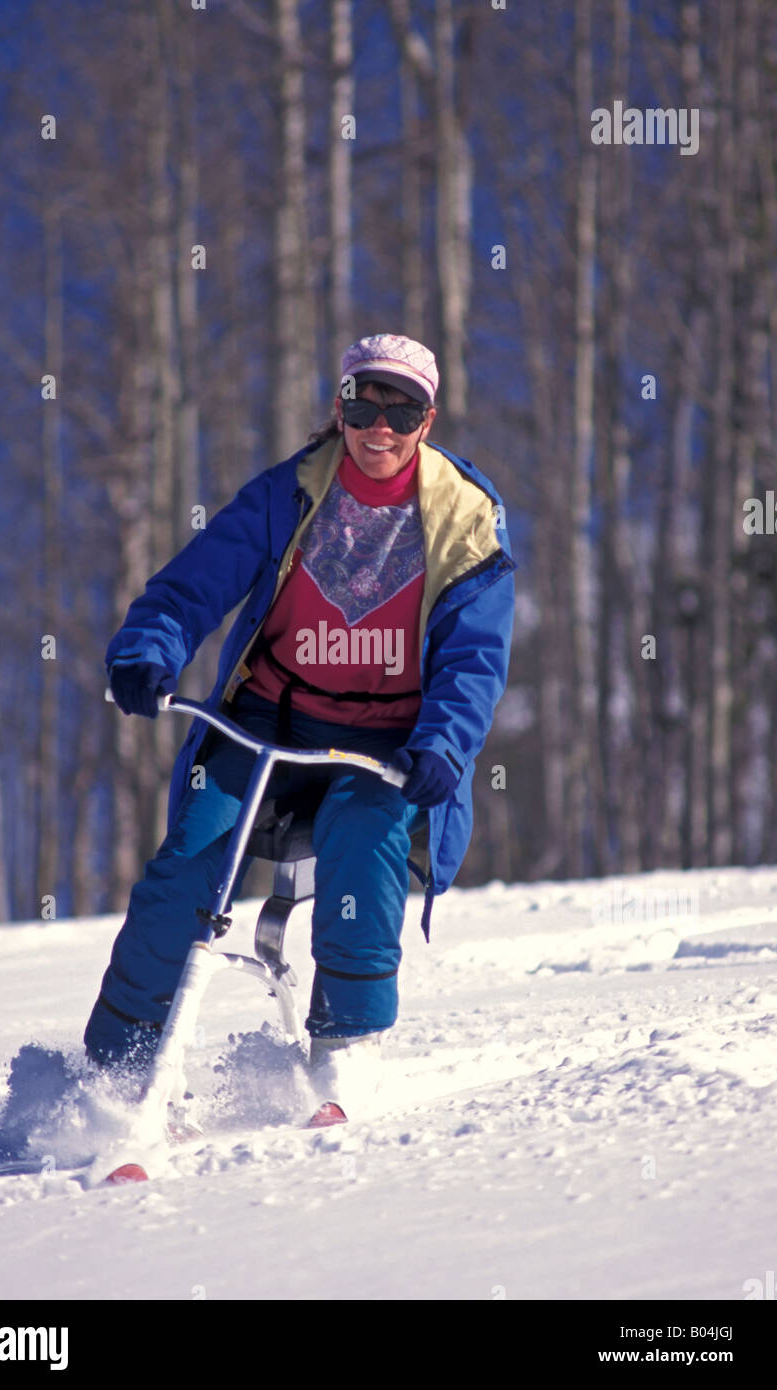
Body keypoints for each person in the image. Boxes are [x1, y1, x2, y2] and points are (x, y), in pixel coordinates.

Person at [84, 333, 516, 1122]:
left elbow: (474, 658)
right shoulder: (288, 495)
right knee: (188, 865)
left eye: (402, 408)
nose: (378, 426)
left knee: (366, 837)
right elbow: (190, 587)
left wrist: (445, 744)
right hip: (265, 727)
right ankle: (117, 1069)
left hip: (384, 746)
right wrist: (149, 651)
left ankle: (346, 1050)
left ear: (429, 418)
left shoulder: (465, 520)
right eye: (362, 403)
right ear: (339, 405)